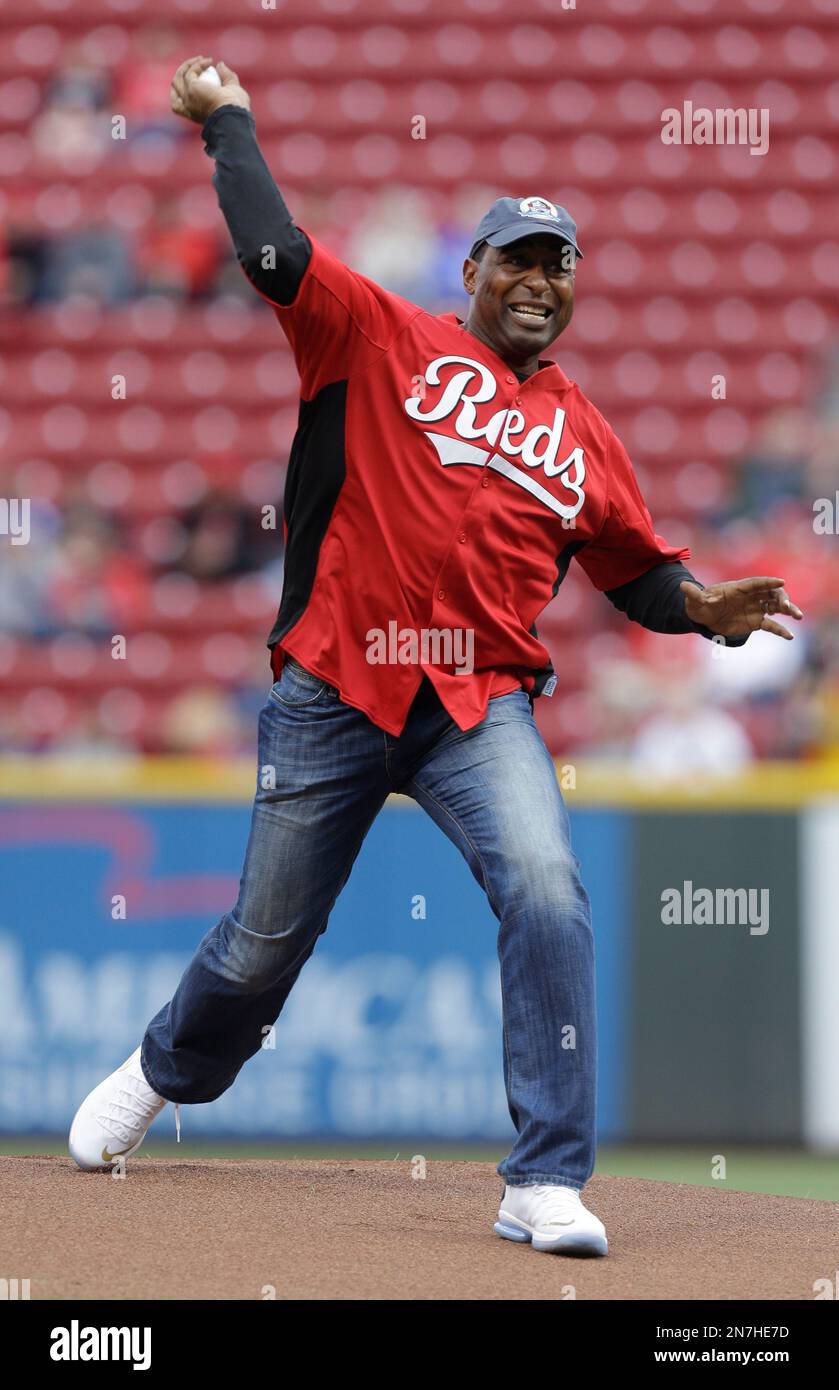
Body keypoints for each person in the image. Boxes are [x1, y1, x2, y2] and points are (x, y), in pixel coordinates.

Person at [68, 57, 803, 1258]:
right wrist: (229, 122)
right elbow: (270, 255)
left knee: (548, 890)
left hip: (477, 704)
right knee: (262, 943)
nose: (537, 279)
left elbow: (634, 571)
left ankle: (543, 1178)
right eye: (516, 257)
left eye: (556, 265)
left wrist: (701, 607)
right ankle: (161, 1070)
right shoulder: (376, 333)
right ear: (469, 271)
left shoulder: (582, 432)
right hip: (336, 684)